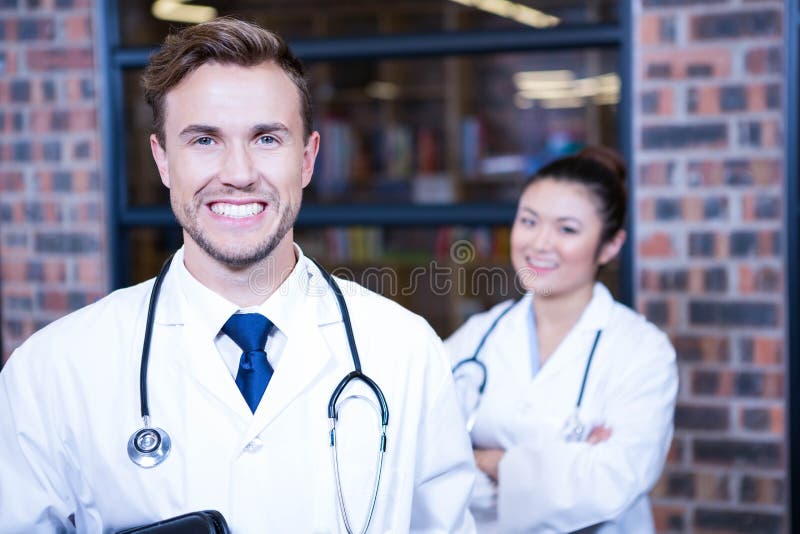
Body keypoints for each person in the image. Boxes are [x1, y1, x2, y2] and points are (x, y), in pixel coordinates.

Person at [0, 18, 476, 533]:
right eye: (204, 140)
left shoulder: (404, 350)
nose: (239, 172)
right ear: (162, 160)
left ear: (308, 158)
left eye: (267, 138)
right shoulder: (52, 371)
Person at [445, 146, 677, 533]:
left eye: (567, 229)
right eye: (529, 221)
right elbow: (425, 466)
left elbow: (608, 487)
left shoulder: (643, 352)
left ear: (610, 246)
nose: (539, 243)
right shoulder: (477, 338)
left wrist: (489, 462)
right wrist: (561, 468)